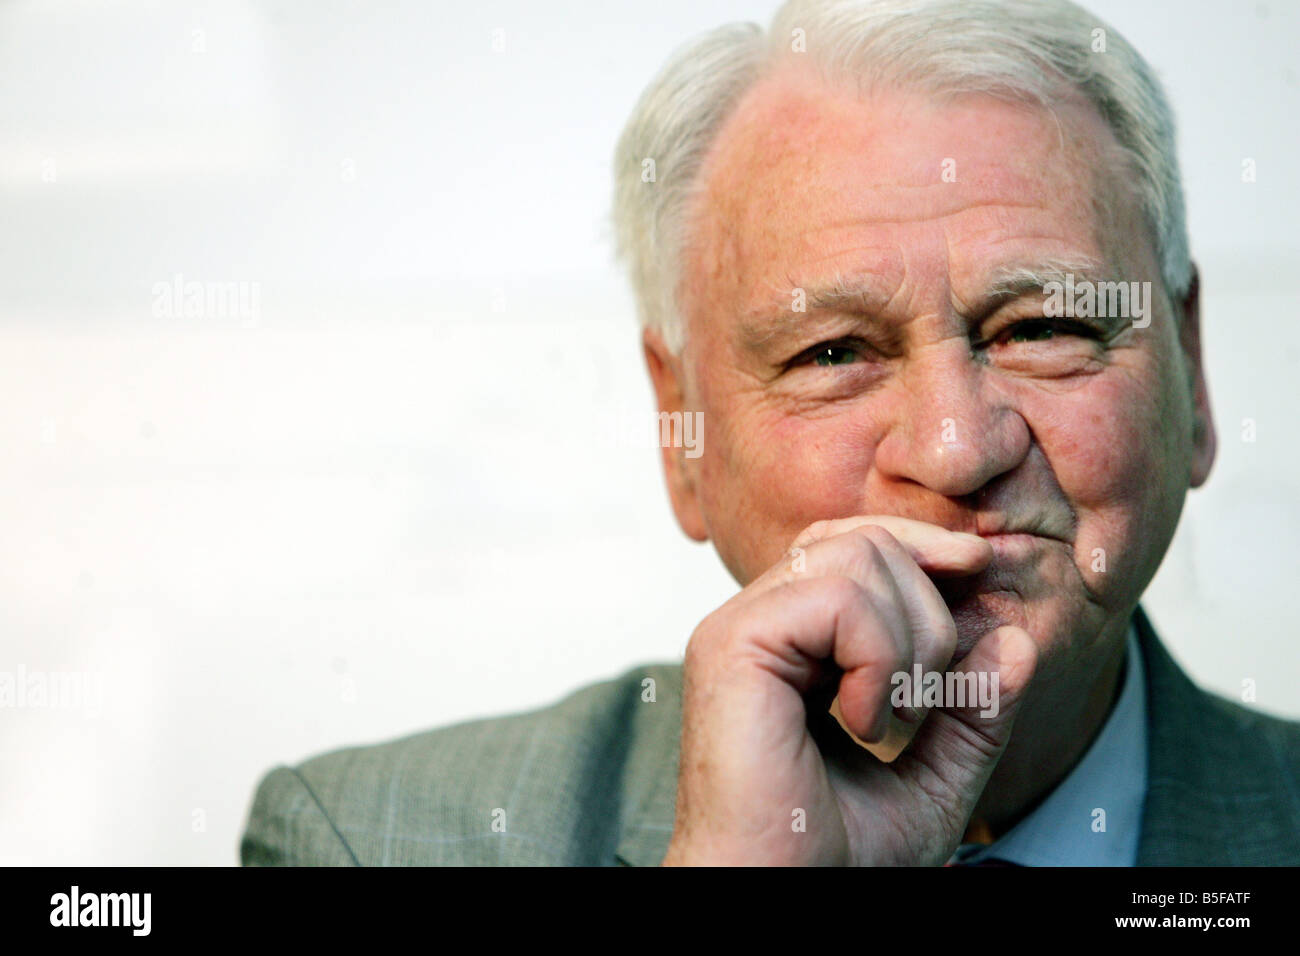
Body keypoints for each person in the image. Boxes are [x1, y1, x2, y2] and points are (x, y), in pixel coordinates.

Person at [240, 0, 1300, 866]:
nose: (953, 447)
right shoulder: (362, 839)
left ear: (1191, 376)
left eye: (1042, 327)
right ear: (682, 434)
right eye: (833, 353)